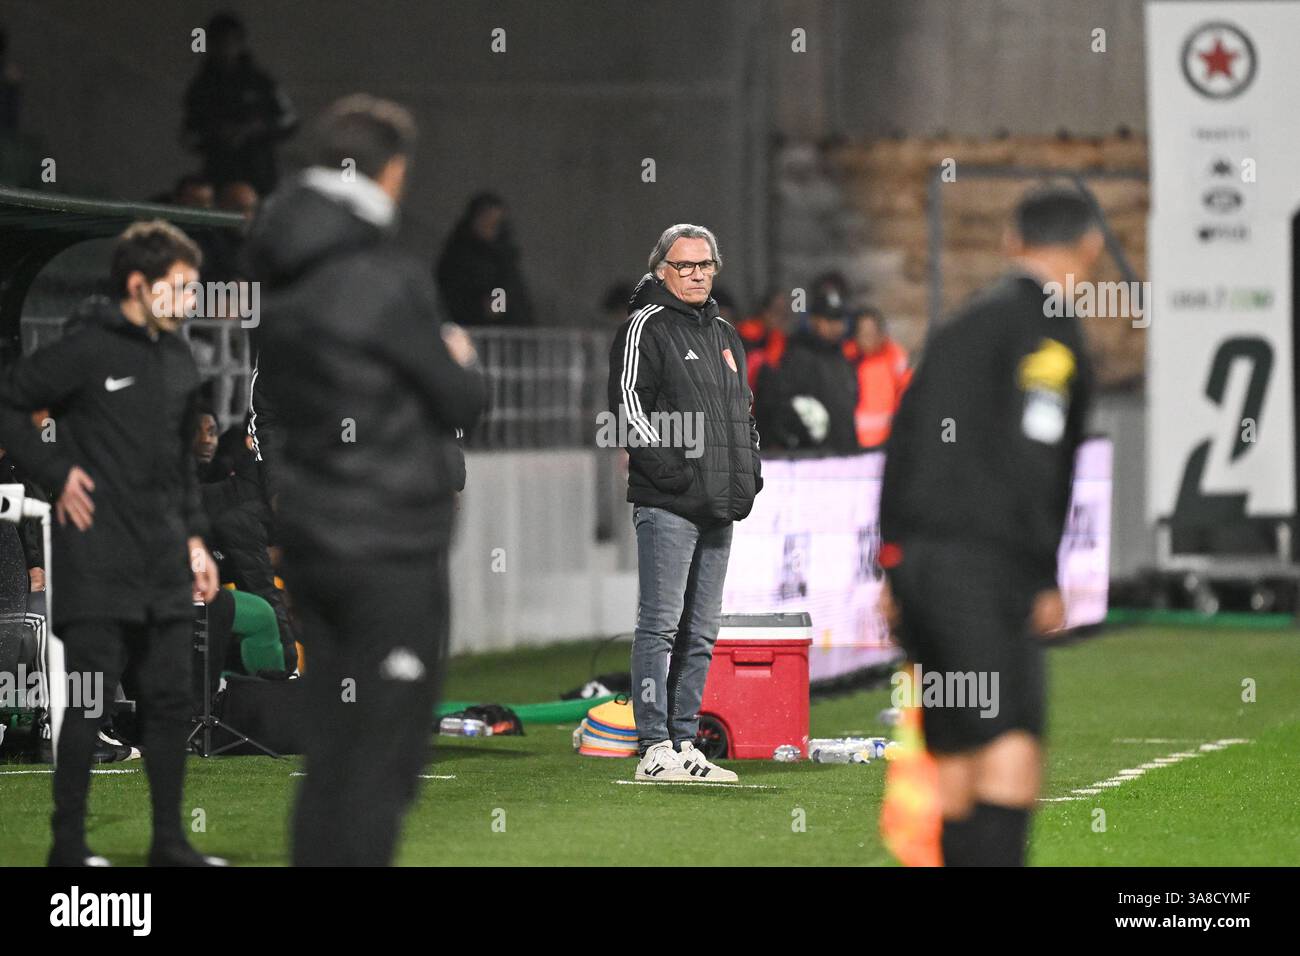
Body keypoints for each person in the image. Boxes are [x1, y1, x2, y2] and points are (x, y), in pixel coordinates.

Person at [245, 94, 487, 865]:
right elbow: (458, 402)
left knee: (334, 755)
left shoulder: (278, 285)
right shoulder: (384, 279)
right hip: (389, 549)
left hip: (313, 540)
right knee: (381, 763)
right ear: (386, 172)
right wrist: (457, 358)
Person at [878, 185, 1099, 866]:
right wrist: (1040, 573)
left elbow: (902, 442)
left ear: (1012, 242)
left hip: (918, 565)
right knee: (1011, 742)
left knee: (954, 748)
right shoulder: (1052, 336)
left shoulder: (957, 328)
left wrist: (890, 565)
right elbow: (1038, 457)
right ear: (1090, 248)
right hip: (987, 566)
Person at [0, 220, 224, 867]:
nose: (190, 299)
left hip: (163, 561)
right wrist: (56, 473)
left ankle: (169, 844)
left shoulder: (180, 357)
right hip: (95, 558)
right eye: (181, 287)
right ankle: (68, 848)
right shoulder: (86, 349)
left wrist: (198, 543)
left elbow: (184, 468)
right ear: (138, 284)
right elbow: (11, 402)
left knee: (170, 699)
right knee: (89, 703)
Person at [607, 223, 762, 784]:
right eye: (684, 265)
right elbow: (628, 408)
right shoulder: (644, 325)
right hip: (669, 503)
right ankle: (653, 747)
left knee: (700, 632)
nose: (696, 274)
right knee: (660, 626)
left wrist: (750, 473)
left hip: (720, 503)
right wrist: (673, 474)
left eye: (705, 265)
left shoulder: (725, 332)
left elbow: (744, 412)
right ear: (661, 270)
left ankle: (684, 740)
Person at [181, 12, 298, 194]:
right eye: (218, 42)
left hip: (259, 174)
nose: (225, 48)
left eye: (230, 41)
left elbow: (289, 121)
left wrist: (255, 129)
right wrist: (216, 133)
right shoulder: (202, 88)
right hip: (219, 175)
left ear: (240, 43)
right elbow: (189, 134)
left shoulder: (261, 83)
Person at [755, 290, 860, 453]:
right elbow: (780, 407)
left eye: (839, 319)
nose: (835, 326)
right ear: (813, 321)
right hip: (812, 458)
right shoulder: (798, 357)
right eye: (828, 319)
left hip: (845, 452)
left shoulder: (843, 359)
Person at [434, 192, 535, 327]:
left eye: (496, 223)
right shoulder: (458, 253)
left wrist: (497, 305)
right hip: (467, 328)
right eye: (486, 219)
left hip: (503, 331)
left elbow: (505, 288)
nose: (490, 227)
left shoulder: (503, 255)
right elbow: (451, 294)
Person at [843, 306, 911, 448]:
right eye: (864, 333)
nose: (869, 338)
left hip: (888, 442)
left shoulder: (895, 359)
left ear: (881, 333)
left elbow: (906, 396)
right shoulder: (846, 359)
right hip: (852, 444)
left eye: (873, 333)